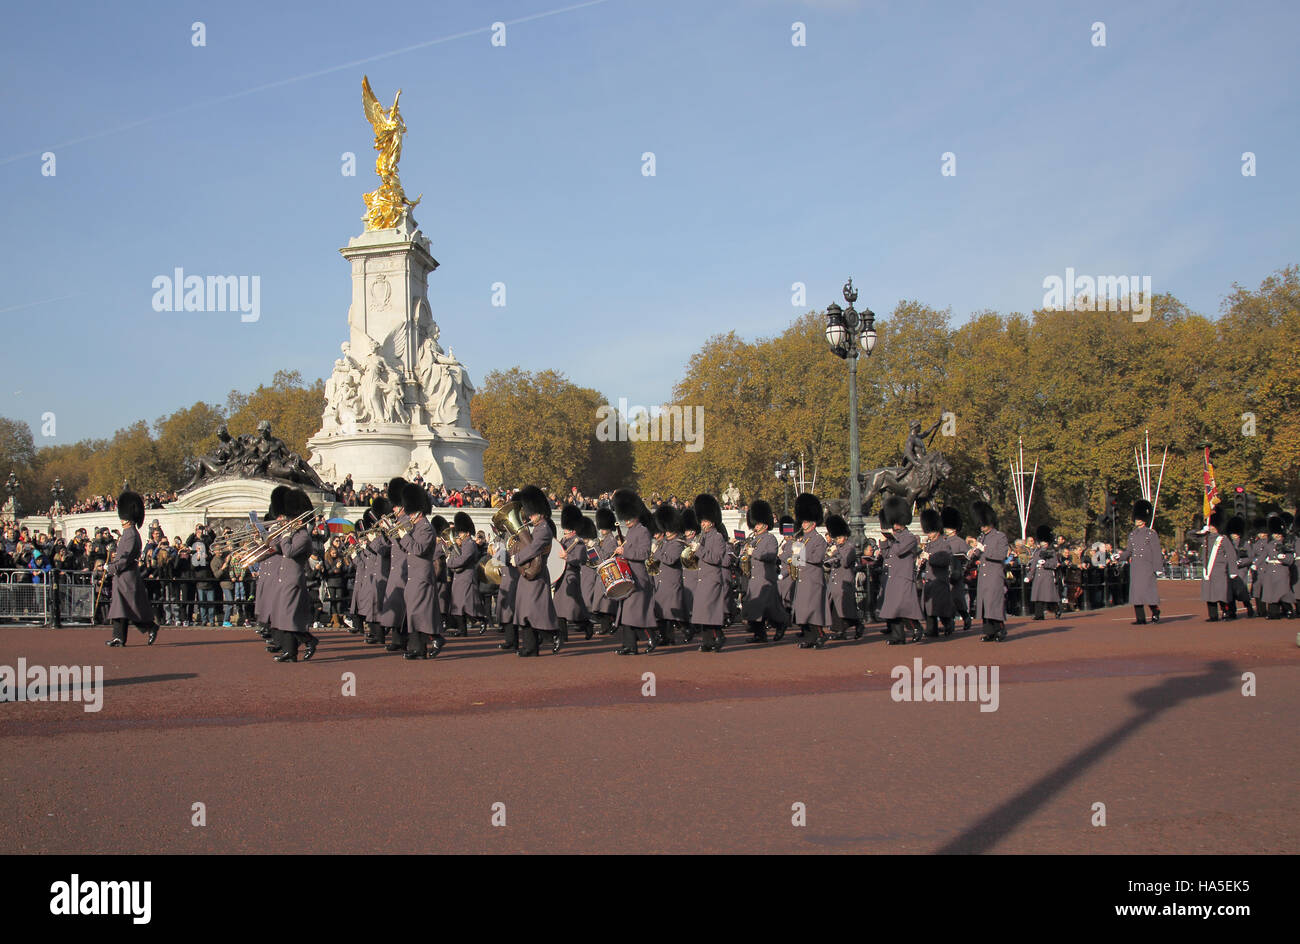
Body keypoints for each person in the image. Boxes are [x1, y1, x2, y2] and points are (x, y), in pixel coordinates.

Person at [104, 491, 160, 647]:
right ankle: (118, 637)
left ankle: (150, 627)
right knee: (120, 608)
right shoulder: (128, 533)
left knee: (130, 608)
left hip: (126, 577)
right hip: (122, 577)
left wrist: (111, 567)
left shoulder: (130, 535)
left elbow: (126, 559)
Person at [270, 488, 319, 662]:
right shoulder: (293, 534)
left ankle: (310, 640)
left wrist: (285, 535)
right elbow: (276, 547)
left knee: (289, 615)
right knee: (285, 615)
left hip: (294, 579)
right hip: (286, 578)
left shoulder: (304, 537)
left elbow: (289, 551)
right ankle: (290, 652)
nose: (289, 521)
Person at [513, 485, 562, 656]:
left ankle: (554, 635)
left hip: (537, 574)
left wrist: (517, 558)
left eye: (532, 513)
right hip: (528, 574)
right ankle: (530, 647)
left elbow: (534, 548)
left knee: (536, 611)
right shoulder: (536, 528)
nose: (529, 516)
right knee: (526, 612)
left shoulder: (544, 529)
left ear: (540, 513)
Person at [399, 483, 445, 659]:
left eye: (411, 513)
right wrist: (398, 537)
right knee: (414, 612)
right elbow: (407, 549)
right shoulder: (416, 528)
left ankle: (423, 646)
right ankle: (421, 646)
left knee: (419, 612)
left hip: (422, 574)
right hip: (414, 575)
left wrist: (404, 536)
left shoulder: (425, 527)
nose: (409, 516)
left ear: (418, 511)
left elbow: (418, 549)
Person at [612, 489, 658, 654]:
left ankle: (651, 636)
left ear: (635, 515)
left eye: (628, 517)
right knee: (626, 613)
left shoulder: (643, 531)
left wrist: (625, 552)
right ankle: (629, 645)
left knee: (634, 612)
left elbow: (644, 553)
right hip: (628, 576)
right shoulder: (630, 532)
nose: (626, 520)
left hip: (638, 578)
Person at [689, 492, 731, 652]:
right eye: (702, 521)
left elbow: (717, 558)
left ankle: (719, 636)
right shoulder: (702, 537)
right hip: (702, 578)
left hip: (712, 579)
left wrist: (700, 550)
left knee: (709, 610)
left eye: (706, 521)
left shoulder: (717, 537)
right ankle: (707, 641)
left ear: (712, 522)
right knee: (702, 612)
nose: (703, 524)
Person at [877, 496, 923, 645]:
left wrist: (893, 538)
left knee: (904, 607)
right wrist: (884, 541)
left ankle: (917, 628)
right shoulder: (894, 538)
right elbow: (886, 555)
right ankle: (898, 636)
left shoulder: (909, 538)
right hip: (893, 578)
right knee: (893, 609)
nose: (894, 525)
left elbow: (898, 551)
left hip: (903, 577)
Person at [740, 499, 785, 644]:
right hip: (755, 579)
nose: (755, 526)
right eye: (755, 523)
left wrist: (755, 553)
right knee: (754, 608)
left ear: (765, 525)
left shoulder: (770, 539)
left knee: (768, 608)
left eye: (758, 524)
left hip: (766, 578)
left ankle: (781, 624)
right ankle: (760, 634)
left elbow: (771, 556)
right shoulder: (754, 539)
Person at [790, 493, 830, 649]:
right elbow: (797, 561)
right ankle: (809, 637)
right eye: (803, 521)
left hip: (813, 579)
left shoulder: (818, 539)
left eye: (806, 522)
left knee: (812, 610)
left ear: (813, 524)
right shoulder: (801, 539)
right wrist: (793, 556)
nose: (803, 524)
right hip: (802, 578)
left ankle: (820, 635)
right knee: (802, 610)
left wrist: (801, 552)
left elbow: (817, 558)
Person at [375, 478, 410, 652]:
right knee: (394, 605)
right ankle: (397, 639)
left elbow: (405, 543)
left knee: (400, 605)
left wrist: (391, 529)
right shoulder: (399, 521)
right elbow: (390, 544)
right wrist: (386, 530)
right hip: (395, 568)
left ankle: (402, 639)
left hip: (403, 567)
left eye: (395, 506)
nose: (393, 509)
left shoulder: (406, 521)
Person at [967, 501, 1010, 641]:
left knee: (994, 604)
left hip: (994, 575)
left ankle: (1000, 630)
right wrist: (972, 553)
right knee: (985, 604)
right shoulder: (981, 537)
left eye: (983, 523)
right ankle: (989, 632)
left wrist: (985, 549)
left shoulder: (1000, 536)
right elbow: (979, 555)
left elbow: (1001, 555)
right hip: (984, 576)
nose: (982, 526)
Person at [1115, 499, 1163, 625]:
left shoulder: (1151, 534)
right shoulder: (1132, 535)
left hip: (1147, 567)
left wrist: (1158, 568)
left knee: (1149, 592)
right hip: (1136, 567)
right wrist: (1119, 557)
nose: (1136, 520)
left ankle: (1155, 611)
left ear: (1143, 519)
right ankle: (1140, 618)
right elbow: (1129, 551)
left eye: (1138, 518)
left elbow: (1156, 552)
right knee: (1136, 593)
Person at [651, 505, 688, 646]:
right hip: (662, 581)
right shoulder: (666, 542)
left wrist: (656, 552)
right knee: (662, 613)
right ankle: (667, 637)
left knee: (673, 613)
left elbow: (670, 559)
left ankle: (687, 630)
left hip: (671, 581)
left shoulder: (677, 544)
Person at [555, 505, 592, 641]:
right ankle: (562, 637)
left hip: (571, 576)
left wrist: (567, 557)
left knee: (573, 609)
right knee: (559, 609)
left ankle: (587, 625)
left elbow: (580, 560)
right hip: (561, 577)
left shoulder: (579, 543)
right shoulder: (563, 541)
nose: (565, 531)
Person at [446, 511, 485, 636]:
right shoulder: (465, 543)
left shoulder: (469, 544)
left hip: (466, 577)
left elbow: (463, 559)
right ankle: (462, 630)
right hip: (460, 578)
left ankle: (482, 620)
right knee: (458, 607)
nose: (459, 534)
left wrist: (450, 562)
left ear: (467, 533)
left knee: (467, 605)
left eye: (461, 532)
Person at [918, 508, 955, 636]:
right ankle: (931, 630)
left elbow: (945, 560)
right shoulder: (929, 544)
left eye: (930, 531)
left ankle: (948, 624)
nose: (928, 534)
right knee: (929, 607)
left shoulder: (943, 544)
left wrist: (929, 558)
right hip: (929, 580)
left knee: (941, 608)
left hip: (939, 579)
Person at [824, 514, 861, 640]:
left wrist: (836, 552)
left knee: (845, 608)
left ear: (845, 536)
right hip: (835, 581)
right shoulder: (837, 548)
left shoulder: (850, 548)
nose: (837, 540)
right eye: (836, 538)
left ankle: (849, 628)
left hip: (844, 580)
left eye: (839, 537)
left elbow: (845, 563)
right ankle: (842, 630)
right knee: (836, 607)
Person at [1200, 509, 1235, 622]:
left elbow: (1231, 555)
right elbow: (1191, 536)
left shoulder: (1223, 539)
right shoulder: (1205, 538)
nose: (1211, 528)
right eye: (1210, 526)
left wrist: (1233, 571)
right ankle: (1213, 615)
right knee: (1209, 594)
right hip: (1207, 571)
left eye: (1213, 526)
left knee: (1221, 594)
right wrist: (1201, 530)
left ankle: (1225, 612)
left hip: (1219, 570)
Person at [1259, 515, 1296, 619]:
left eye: (1279, 533)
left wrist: (1282, 557)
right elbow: (1262, 556)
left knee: (1283, 592)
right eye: (1275, 533)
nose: (1277, 535)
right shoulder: (1269, 545)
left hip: (1281, 571)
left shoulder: (1286, 544)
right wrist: (1255, 564)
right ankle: (1273, 613)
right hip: (1270, 571)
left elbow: (1290, 560)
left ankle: (1288, 610)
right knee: (1271, 593)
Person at [1029, 524, 1062, 620]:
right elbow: (1033, 565)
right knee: (1038, 596)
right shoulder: (1037, 552)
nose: (1043, 544)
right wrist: (1029, 576)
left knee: (1049, 596)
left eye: (1044, 542)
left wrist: (1045, 563)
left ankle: (1056, 609)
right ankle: (1039, 614)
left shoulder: (1051, 552)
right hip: (1038, 577)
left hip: (1047, 576)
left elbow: (1054, 564)